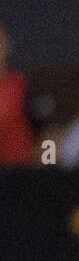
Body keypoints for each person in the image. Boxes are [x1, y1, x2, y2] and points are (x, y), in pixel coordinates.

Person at [0, 21, 36, 165]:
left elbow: (50, 134)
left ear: (8, 44)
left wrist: (47, 163)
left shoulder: (24, 84)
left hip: (21, 172)